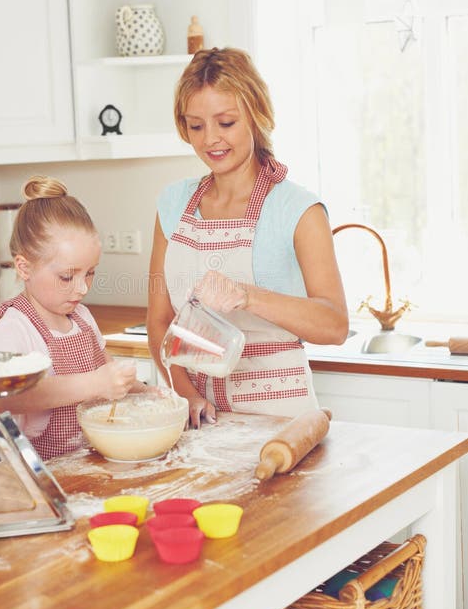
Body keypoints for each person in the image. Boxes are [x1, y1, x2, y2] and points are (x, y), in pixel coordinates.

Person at [147, 48, 349, 428]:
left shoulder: (298, 210)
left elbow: (335, 325)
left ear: (256, 115)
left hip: (280, 421)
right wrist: (186, 394)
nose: (211, 140)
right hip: (198, 421)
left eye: (226, 122)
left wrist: (247, 296)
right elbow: (159, 321)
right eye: (196, 126)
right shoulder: (172, 204)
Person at [0, 175, 146, 460]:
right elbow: (10, 399)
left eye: (90, 273)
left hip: (91, 459)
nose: (82, 288)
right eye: (66, 276)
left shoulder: (82, 317)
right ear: (24, 268)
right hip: (46, 472)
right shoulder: (14, 327)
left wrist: (144, 392)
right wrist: (96, 383)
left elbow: (105, 367)